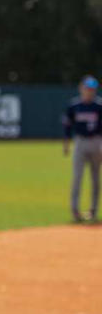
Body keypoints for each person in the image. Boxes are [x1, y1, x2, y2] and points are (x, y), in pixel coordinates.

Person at [62, 75, 102, 222]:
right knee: (77, 177)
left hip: (96, 142)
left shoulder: (99, 106)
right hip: (80, 142)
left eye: (92, 89)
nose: (89, 91)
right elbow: (67, 125)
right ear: (81, 88)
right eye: (87, 88)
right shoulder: (74, 106)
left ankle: (93, 210)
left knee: (95, 179)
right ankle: (75, 210)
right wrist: (66, 144)